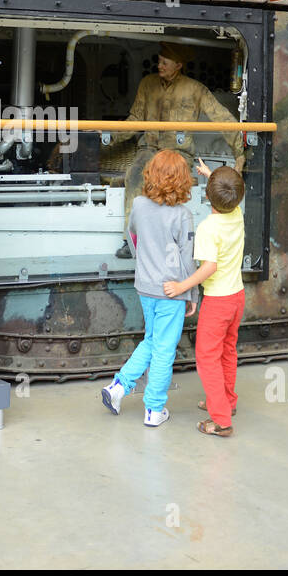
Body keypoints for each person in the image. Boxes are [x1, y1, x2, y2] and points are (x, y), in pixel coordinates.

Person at [115, 42, 244, 258]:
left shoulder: (196, 90)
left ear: (178, 65)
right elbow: (136, 118)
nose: (159, 65)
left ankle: (170, 241)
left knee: (172, 182)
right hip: (148, 148)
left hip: (179, 152)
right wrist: (109, 137)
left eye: (165, 62)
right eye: (159, 60)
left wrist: (239, 153)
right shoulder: (147, 84)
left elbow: (221, 118)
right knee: (135, 176)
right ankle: (131, 242)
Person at [100, 150, 199, 427]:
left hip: (145, 287)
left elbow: (132, 236)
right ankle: (154, 409)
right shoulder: (183, 215)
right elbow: (187, 258)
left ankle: (118, 387)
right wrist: (192, 294)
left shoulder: (140, 205)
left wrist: (143, 262)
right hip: (172, 290)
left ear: (150, 175)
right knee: (165, 351)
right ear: (182, 181)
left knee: (152, 341)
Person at [164, 162, 246, 438]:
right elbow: (228, 194)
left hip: (218, 301)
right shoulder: (236, 213)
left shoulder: (208, 227)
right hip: (237, 296)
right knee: (227, 351)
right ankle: (226, 402)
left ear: (207, 197)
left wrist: (181, 286)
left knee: (206, 358)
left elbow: (208, 267)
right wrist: (213, 176)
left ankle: (221, 420)